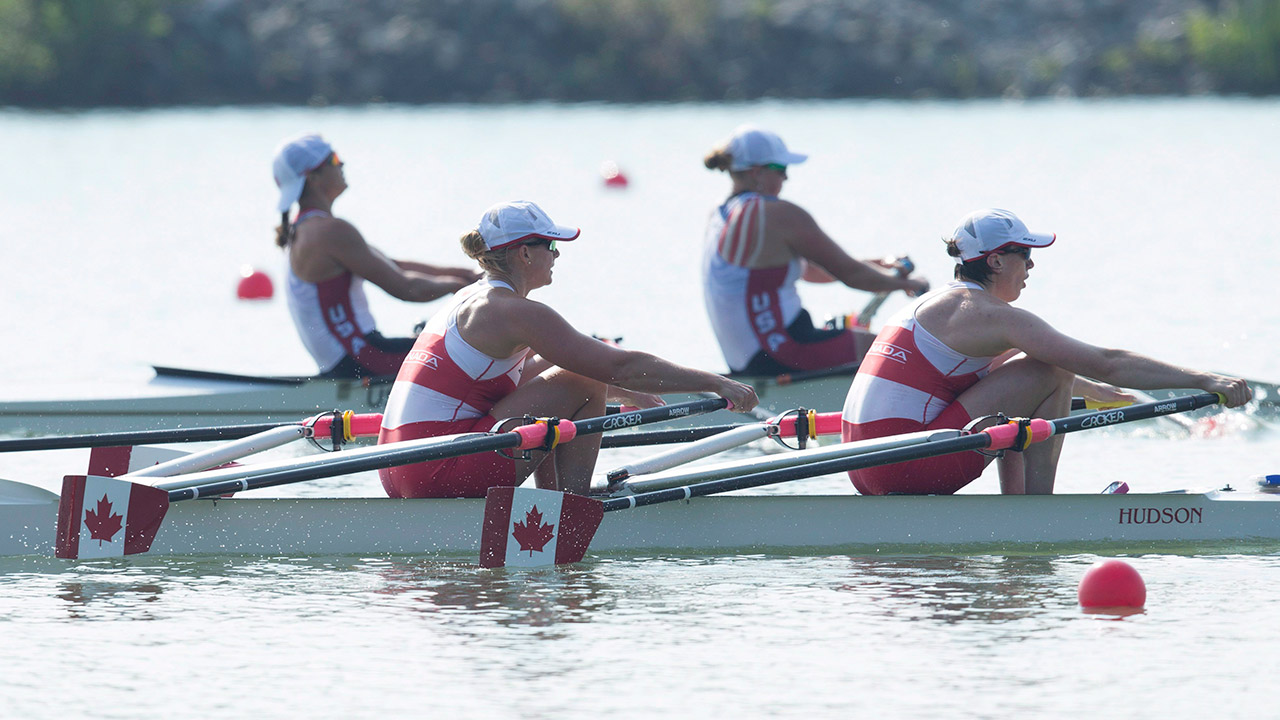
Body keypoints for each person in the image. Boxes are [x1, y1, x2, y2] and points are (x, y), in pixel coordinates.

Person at [840, 208, 1252, 496]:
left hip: (861, 467)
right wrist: (1204, 379)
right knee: (1052, 370)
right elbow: (1106, 362)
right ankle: (1038, 509)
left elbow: (1006, 373)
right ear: (996, 261)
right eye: (1025, 254)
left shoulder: (936, 306)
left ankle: (1019, 507)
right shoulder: (989, 315)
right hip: (906, 469)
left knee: (1051, 369)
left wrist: (1092, 388)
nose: (1032, 266)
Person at [377, 200, 760, 499]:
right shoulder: (513, 311)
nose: (557, 254)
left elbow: (527, 382)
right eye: (550, 245)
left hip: (397, 469)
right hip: (436, 472)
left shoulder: (471, 299)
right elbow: (620, 366)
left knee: (580, 375)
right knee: (585, 379)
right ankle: (572, 506)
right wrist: (715, 383)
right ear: (524, 253)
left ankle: (557, 499)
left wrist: (623, 391)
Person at [702, 125, 930, 376]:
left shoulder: (721, 213)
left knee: (867, 343)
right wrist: (912, 284)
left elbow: (811, 270)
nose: (786, 178)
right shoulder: (775, 213)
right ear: (757, 172)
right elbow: (851, 275)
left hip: (747, 360)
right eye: (781, 169)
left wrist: (880, 264)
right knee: (895, 350)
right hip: (782, 352)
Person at [272, 133, 480, 378]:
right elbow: (407, 288)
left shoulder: (306, 228)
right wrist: (461, 289)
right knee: (476, 347)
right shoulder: (328, 231)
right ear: (313, 177)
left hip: (350, 359)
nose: (342, 164)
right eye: (334, 159)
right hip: (362, 361)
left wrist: (468, 274)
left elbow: (393, 265)